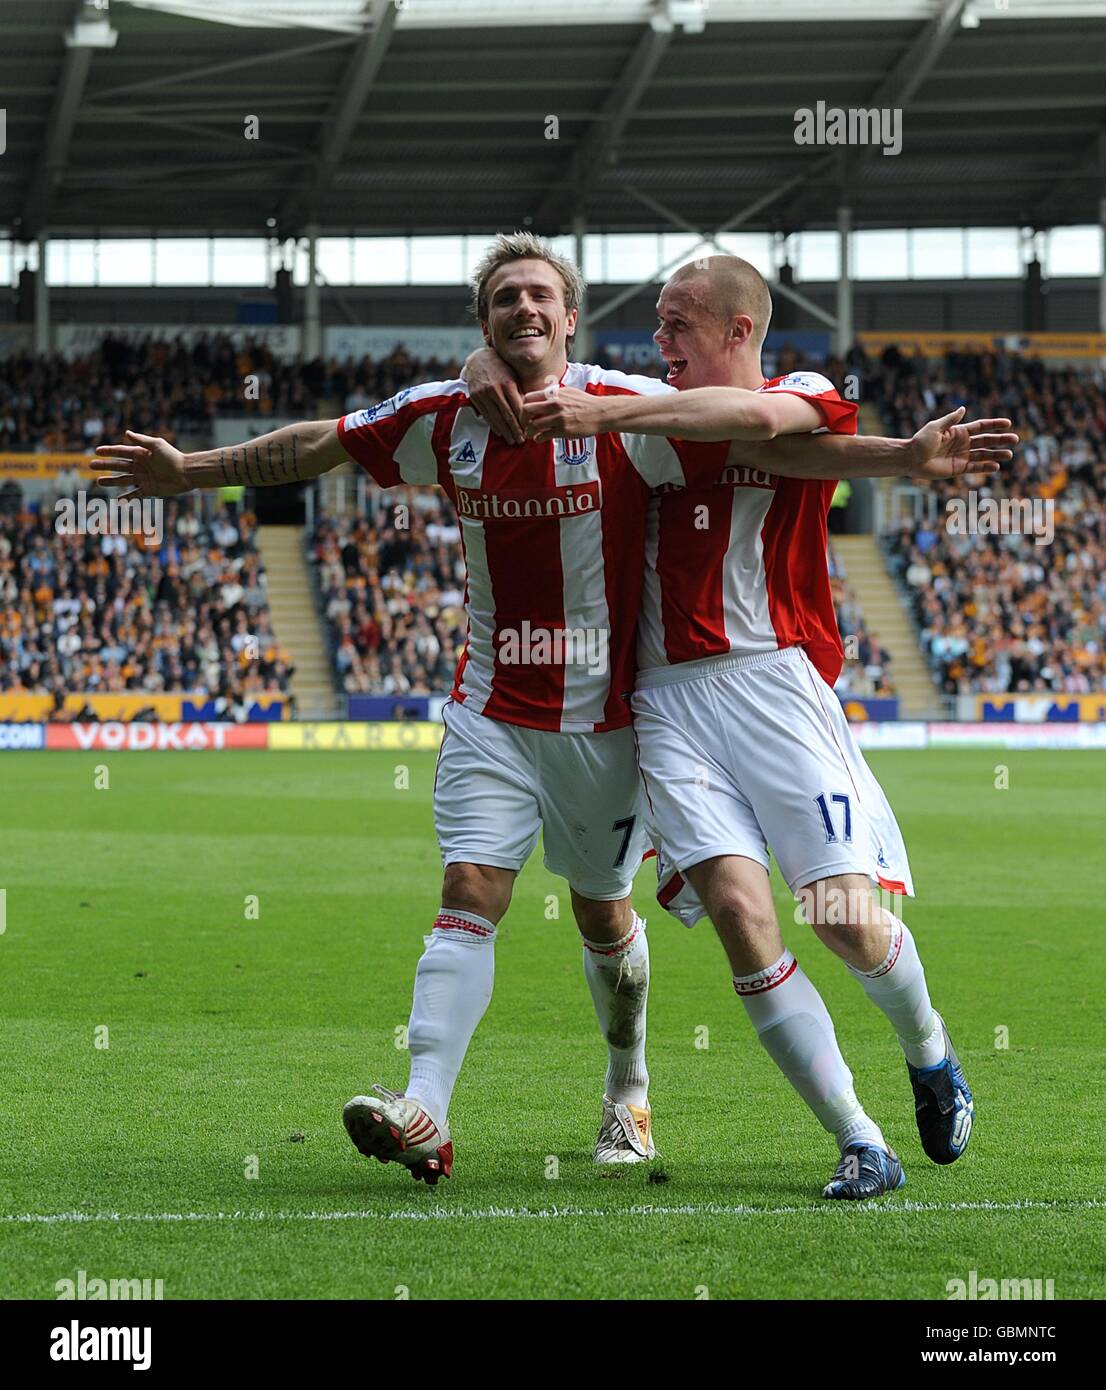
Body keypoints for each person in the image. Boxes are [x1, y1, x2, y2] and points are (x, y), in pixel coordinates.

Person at [94, 236, 1008, 1195]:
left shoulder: (627, 412)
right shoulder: (444, 418)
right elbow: (318, 441)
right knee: (491, 888)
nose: (524, 310)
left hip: (631, 715)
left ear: (570, 319)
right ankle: (432, 1111)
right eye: (503, 301)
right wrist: (191, 471)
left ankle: (672, 1079)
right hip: (516, 704)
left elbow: (757, 433)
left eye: (542, 296)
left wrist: (904, 457)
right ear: (483, 323)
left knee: (698, 914)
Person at [466, 253, 1005, 1197]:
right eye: (657, 326)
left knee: (842, 918)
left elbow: (766, 430)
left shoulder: (789, 391)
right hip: (666, 700)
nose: (658, 342)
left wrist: (896, 457)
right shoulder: (639, 421)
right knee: (738, 915)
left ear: (738, 331)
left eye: (678, 324)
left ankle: (928, 1051)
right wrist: (487, 368)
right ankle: (860, 1140)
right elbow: (513, 377)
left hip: (772, 688)